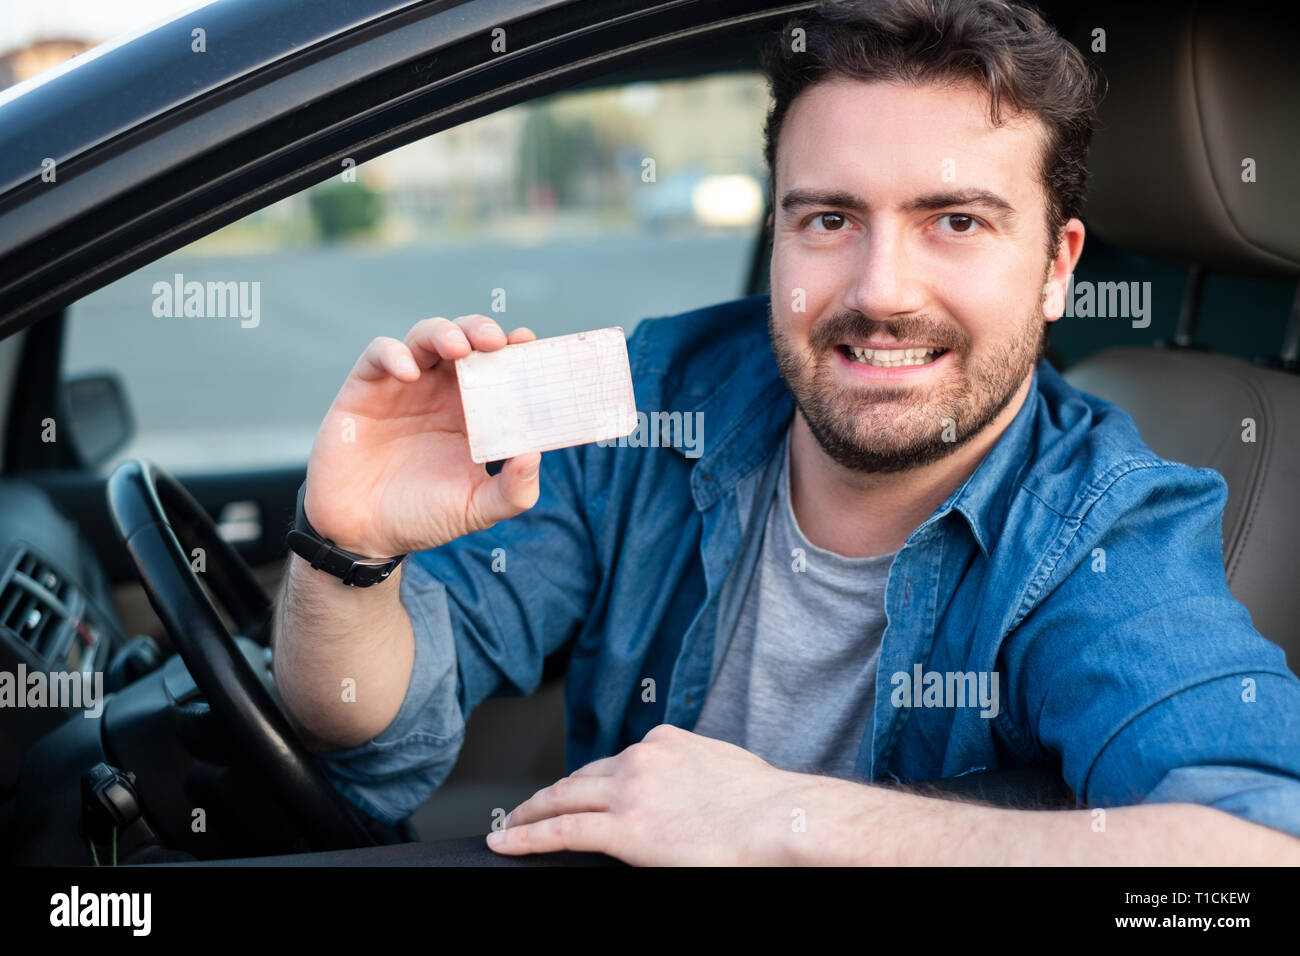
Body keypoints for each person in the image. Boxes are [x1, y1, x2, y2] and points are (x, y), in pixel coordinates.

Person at [271, 0, 1300, 864]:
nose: (880, 291)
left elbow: (1258, 844)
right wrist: (346, 551)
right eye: (829, 219)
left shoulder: (1105, 521)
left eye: (956, 222)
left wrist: (781, 818)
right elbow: (377, 724)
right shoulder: (648, 382)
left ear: (1057, 265)